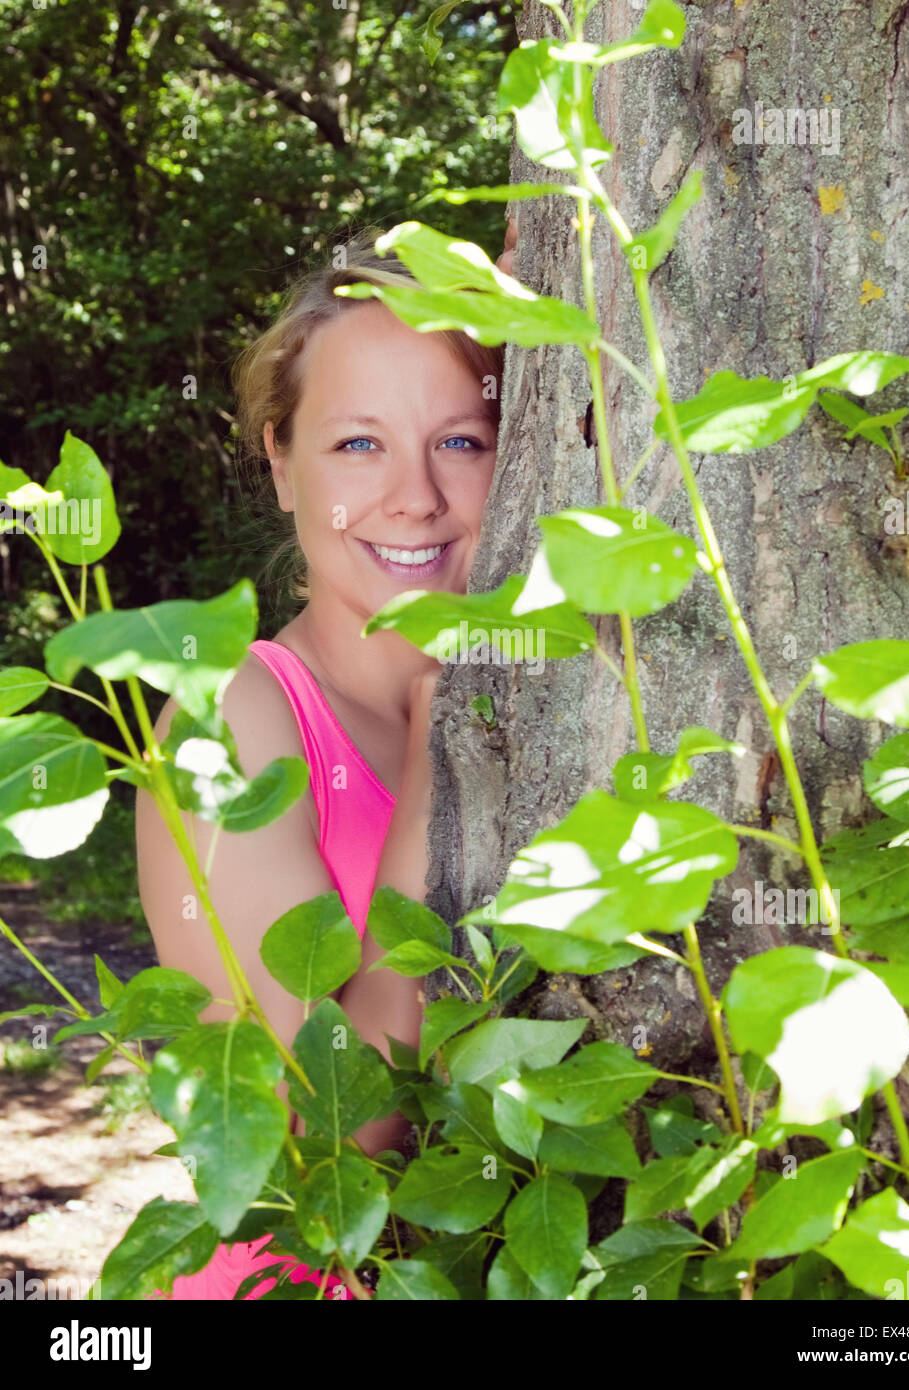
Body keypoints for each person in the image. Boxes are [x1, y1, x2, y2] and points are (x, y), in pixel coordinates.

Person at [135, 216, 516, 1299]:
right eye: (359, 443)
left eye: (461, 439)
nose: (415, 497)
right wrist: (433, 779)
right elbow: (332, 1132)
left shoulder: (562, 698)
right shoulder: (233, 719)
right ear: (282, 464)